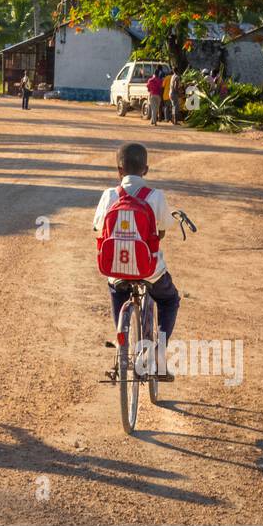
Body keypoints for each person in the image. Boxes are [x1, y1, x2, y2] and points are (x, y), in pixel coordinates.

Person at [92, 142, 183, 378]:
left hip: (116, 268)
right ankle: (158, 356)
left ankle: (121, 343)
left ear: (118, 170)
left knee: (116, 288)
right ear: (146, 169)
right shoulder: (155, 196)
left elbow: (97, 227)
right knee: (169, 299)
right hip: (149, 269)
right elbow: (163, 227)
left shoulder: (109, 195)